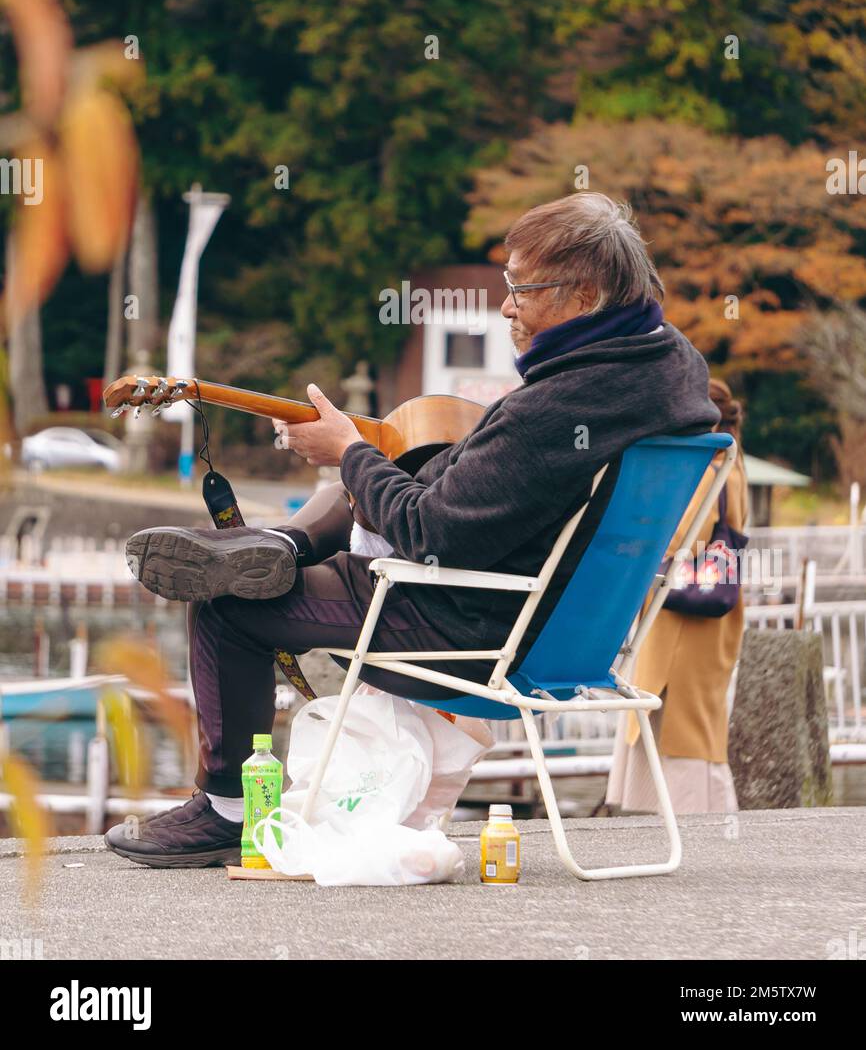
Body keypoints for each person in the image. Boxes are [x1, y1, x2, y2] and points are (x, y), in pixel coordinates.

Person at [106, 192, 721, 867]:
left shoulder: (558, 407)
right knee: (390, 465)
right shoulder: (673, 367)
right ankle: (277, 545)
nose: (506, 306)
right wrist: (368, 455)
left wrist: (346, 451)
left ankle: (226, 808)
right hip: (579, 636)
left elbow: (429, 532)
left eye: (520, 289)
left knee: (227, 607)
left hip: (467, 629)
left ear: (581, 294)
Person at [605, 378, 749, 815]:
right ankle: (689, 815)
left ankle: (689, 818)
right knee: (689, 720)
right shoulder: (731, 466)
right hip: (704, 613)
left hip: (682, 615)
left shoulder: (707, 471)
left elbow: (676, 541)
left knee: (676, 719)